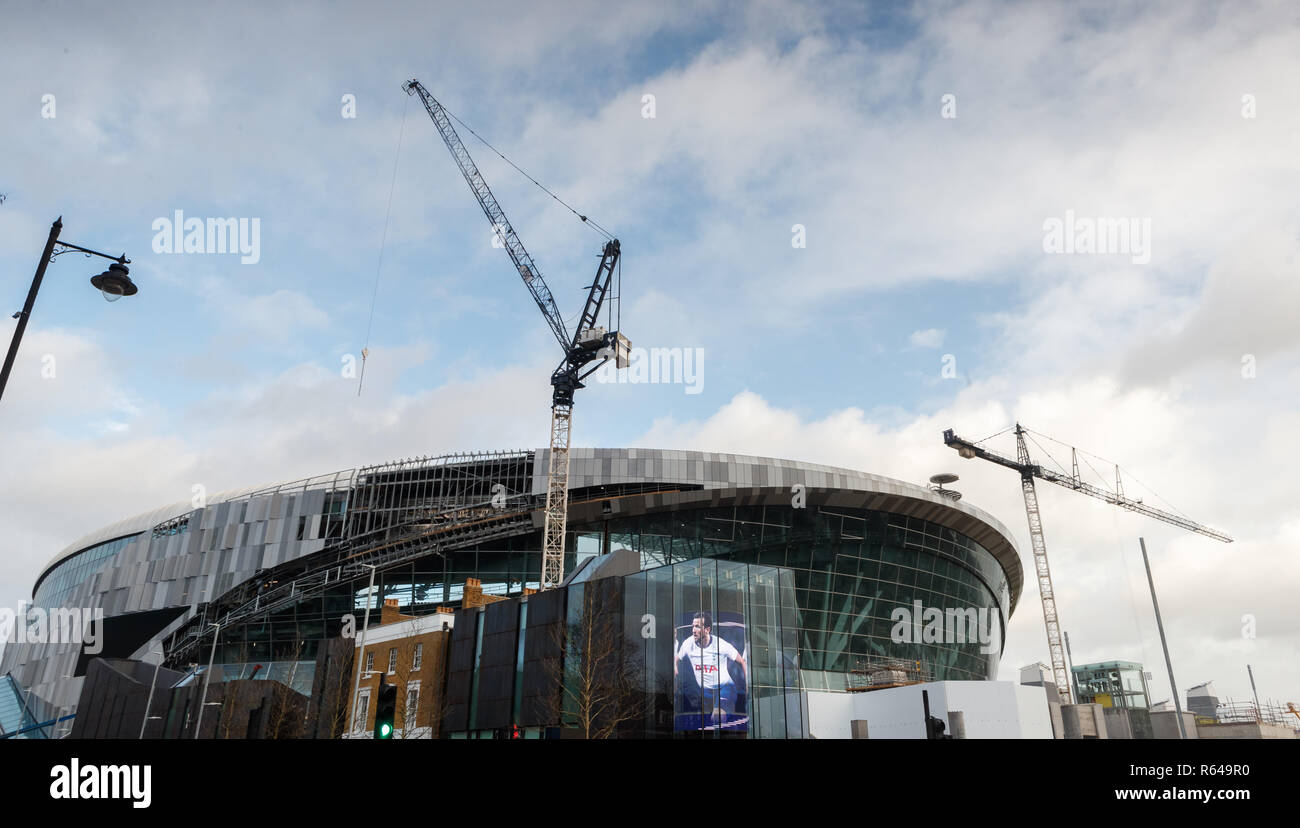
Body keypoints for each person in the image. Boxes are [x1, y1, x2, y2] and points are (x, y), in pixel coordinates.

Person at [674, 611, 746, 724]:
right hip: (705, 693)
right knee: (706, 723)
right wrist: (675, 670)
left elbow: (742, 661)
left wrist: (747, 686)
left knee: (717, 717)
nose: (693, 630)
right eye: (693, 626)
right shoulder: (688, 644)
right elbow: (676, 659)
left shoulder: (721, 645)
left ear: (707, 629)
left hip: (724, 688)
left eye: (697, 626)